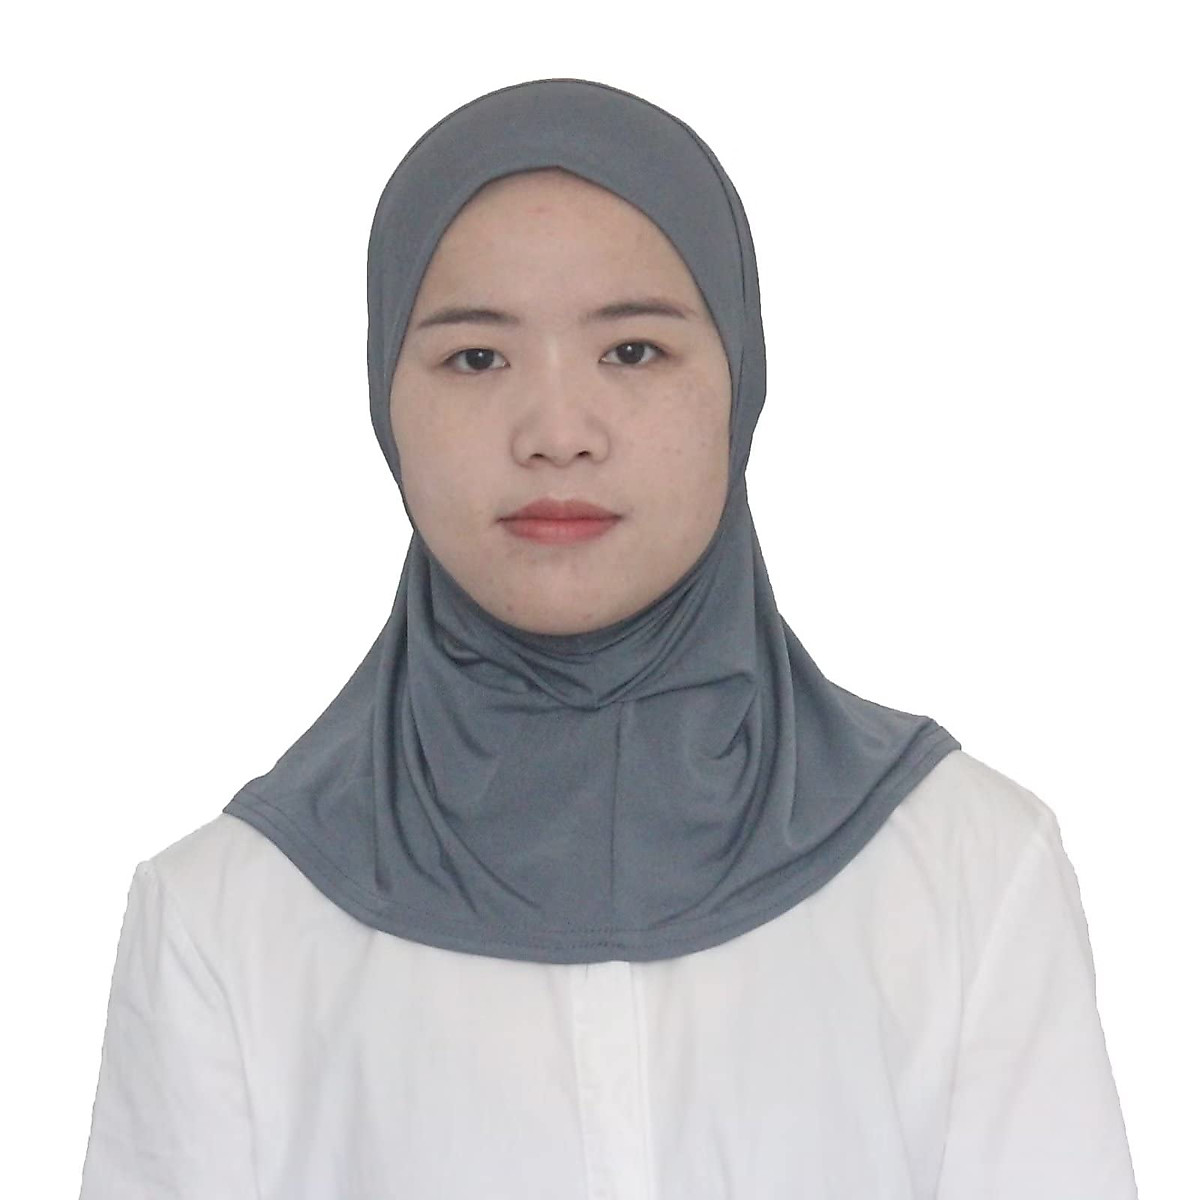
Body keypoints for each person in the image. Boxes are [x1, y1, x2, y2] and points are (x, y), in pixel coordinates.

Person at [77, 77, 1138, 1198]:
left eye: (632, 351)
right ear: (385, 397)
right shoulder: (224, 919)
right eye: (476, 358)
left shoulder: (967, 869)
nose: (557, 433)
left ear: (740, 380)